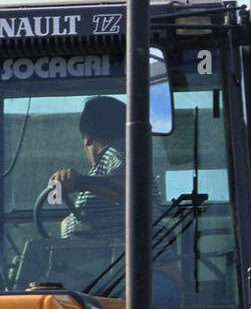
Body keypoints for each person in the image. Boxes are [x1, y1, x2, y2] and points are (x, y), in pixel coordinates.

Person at [48, 95, 164, 239]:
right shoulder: (110, 164)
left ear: (87, 137)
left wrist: (81, 181)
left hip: (126, 259)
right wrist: (68, 224)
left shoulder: (117, 152)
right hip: (107, 258)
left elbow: (136, 188)